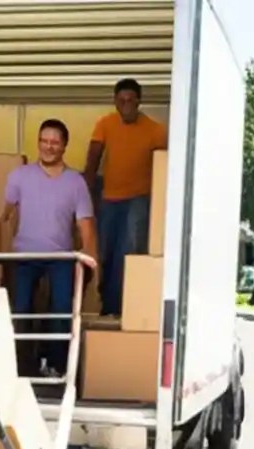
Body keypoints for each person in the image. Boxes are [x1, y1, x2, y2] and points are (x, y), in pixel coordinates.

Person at [0, 119, 98, 377]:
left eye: (55, 142)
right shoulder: (19, 176)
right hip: (24, 255)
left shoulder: (75, 182)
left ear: (65, 146)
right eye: (44, 141)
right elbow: (4, 218)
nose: (49, 147)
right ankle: (21, 368)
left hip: (61, 257)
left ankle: (56, 366)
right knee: (20, 310)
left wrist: (89, 261)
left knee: (61, 310)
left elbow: (85, 225)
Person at [84, 78, 169, 317]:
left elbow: (162, 167)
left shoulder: (155, 130)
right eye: (121, 101)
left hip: (138, 199)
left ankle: (119, 308)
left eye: (131, 100)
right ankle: (105, 303)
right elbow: (93, 159)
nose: (126, 105)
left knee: (128, 251)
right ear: (115, 102)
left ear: (139, 101)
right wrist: (86, 194)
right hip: (109, 197)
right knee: (106, 252)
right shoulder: (105, 124)